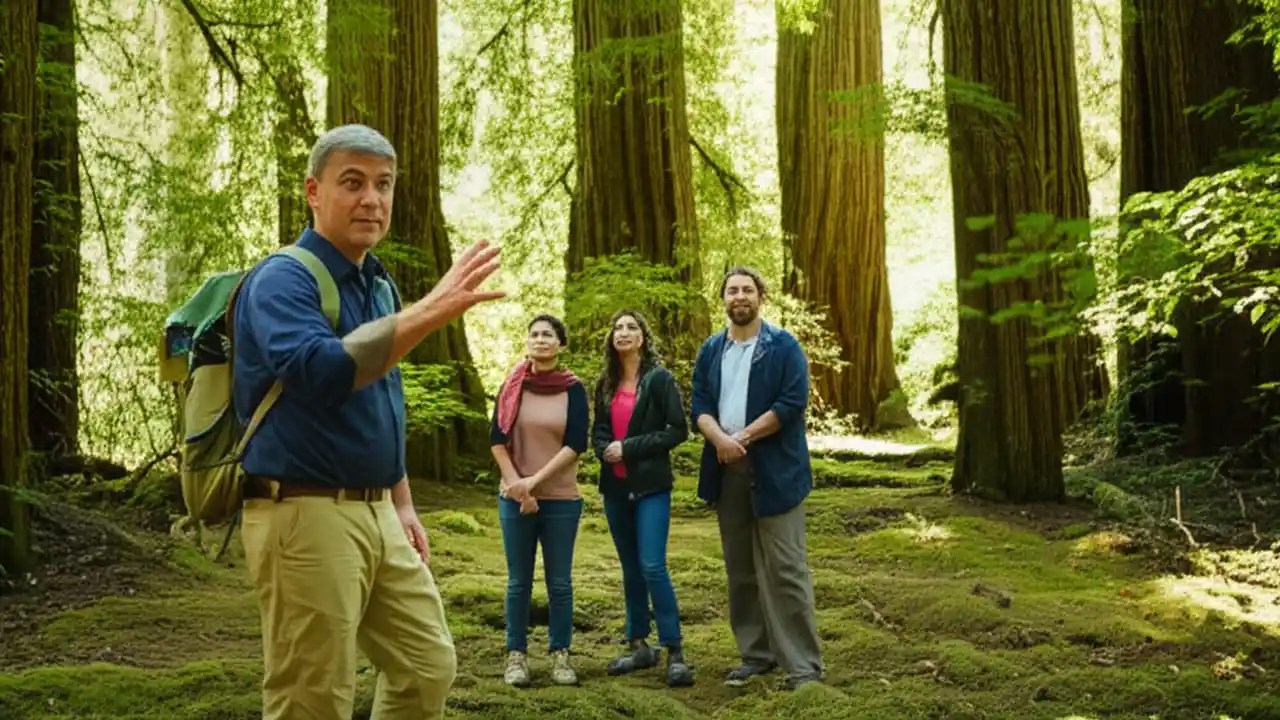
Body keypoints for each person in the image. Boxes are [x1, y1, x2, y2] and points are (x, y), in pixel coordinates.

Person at [233, 123, 503, 719]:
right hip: (302, 512)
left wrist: (401, 500)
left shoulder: (375, 282)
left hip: (378, 511)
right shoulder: (283, 278)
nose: (371, 199)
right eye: (352, 183)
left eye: (383, 184)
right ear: (313, 191)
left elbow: (384, 397)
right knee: (313, 697)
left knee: (426, 665)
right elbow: (322, 371)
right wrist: (432, 310)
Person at [689, 266, 824, 691]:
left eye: (747, 289)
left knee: (786, 568)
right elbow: (700, 403)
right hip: (727, 470)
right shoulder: (711, 349)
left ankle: (804, 666)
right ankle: (756, 655)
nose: (740, 296)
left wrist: (742, 437)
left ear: (760, 296)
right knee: (740, 569)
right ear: (723, 298)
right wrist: (721, 442)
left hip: (776, 471)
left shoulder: (783, 346)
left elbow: (791, 403)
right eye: (732, 290)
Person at [591, 309, 695, 688]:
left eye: (631, 327)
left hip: (651, 487)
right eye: (617, 327)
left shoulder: (659, 379)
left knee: (652, 565)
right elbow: (599, 432)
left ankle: (675, 650)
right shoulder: (605, 383)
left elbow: (677, 430)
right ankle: (639, 645)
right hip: (615, 490)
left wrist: (628, 448)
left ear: (643, 337)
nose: (623, 332)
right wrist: (605, 449)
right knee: (630, 568)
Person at [489, 314, 589, 688]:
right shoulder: (512, 385)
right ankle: (516, 655)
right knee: (519, 582)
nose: (540, 339)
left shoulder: (572, 389)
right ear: (527, 341)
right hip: (514, 498)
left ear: (560, 345)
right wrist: (518, 485)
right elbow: (497, 439)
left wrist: (535, 482)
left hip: (561, 498)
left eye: (548, 335)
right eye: (534, 334)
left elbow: (576, 443)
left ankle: (560, 654)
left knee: (559, 582)